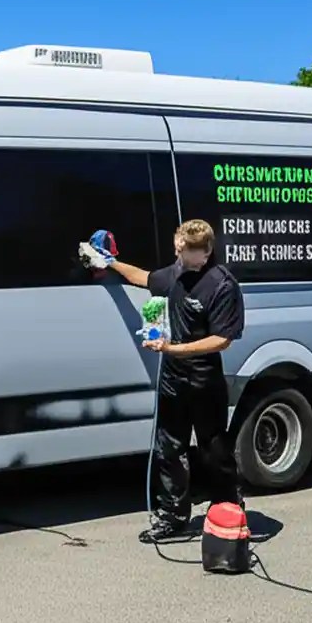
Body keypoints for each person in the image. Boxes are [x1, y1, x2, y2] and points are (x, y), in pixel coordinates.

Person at [83, 219, 247, 543]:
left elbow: (222, 340)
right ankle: (172, 516)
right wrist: (110, 262)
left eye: (185, 252)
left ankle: (228, 511)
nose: (179, 256)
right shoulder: (175, 272)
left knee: (214, 450)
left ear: (206, 252)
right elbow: (144, 278)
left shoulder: (221, 284)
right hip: (174, 378)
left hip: (203, 379)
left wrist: (175, 349)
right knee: (168, 448)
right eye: (177, 248)